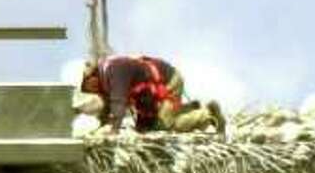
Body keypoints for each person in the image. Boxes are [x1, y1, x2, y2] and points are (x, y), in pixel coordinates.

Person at [79, 55, 224, 135]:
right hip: (152, 92)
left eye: (87, 86)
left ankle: (208, 114)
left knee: (165, 125)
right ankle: (190, 109)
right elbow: (109, 107)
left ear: (91, 76)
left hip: (169, 82)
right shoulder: (105, 78)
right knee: (150, 126)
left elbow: (119, 102)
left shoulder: (113, 71)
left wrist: (114, 129)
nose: (92, 91)